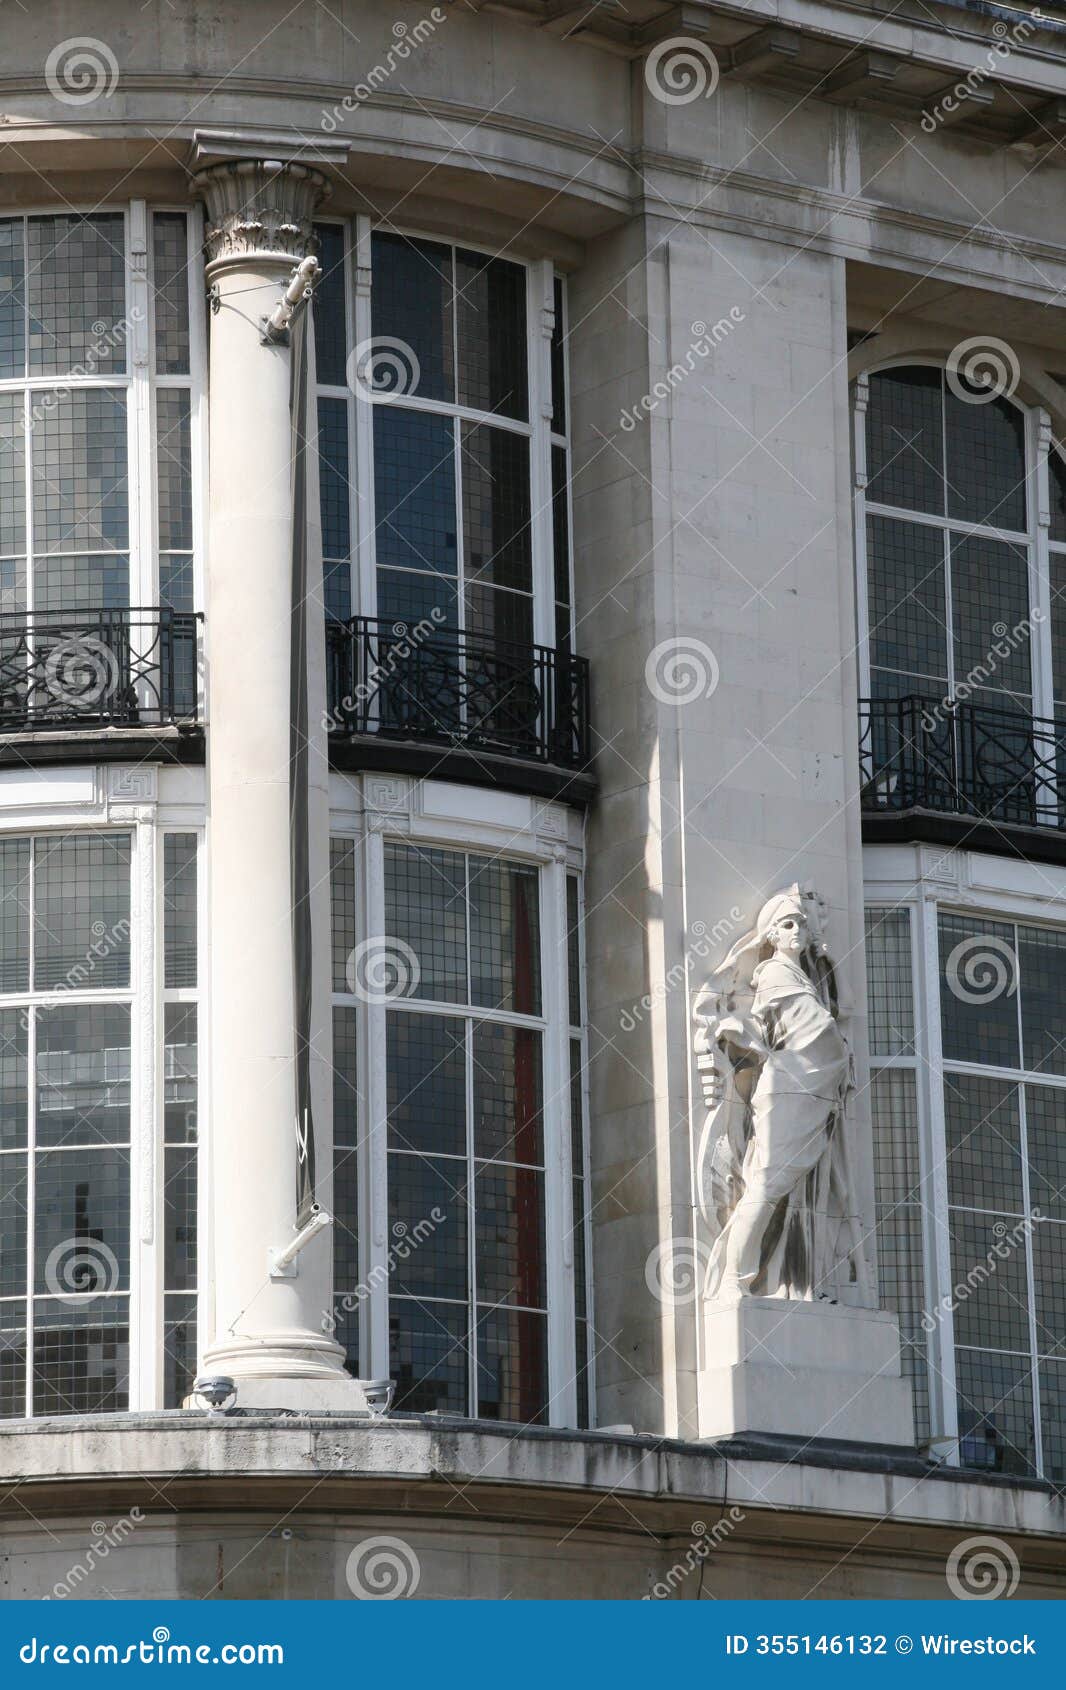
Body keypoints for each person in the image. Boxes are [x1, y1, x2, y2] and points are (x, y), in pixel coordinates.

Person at [694, 888, 864, 1300]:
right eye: (788, 924)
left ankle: (796, 1282)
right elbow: (815, 1029)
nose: (797, 931)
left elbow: (843, 1011)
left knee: (797, 1193)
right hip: (791, 1088)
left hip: (813, 1091)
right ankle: (734, 1279)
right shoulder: (772, 974)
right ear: (771, 933)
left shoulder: (805, 976)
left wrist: (829, 959)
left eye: (801, 924)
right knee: (767, 1186)